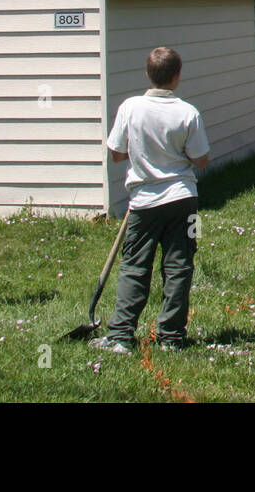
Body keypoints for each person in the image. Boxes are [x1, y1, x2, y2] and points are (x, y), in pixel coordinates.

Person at [92, 47, 209, 354]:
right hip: (182, 200)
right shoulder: (188, 113)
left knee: (134, 266)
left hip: (144, 201)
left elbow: (117, 154)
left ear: (148, 74)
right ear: (177, 76)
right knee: (179, 267)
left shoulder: (130, 108)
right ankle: (171, 337)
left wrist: (142, 151)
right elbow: (202, 161)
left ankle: (120, 336)